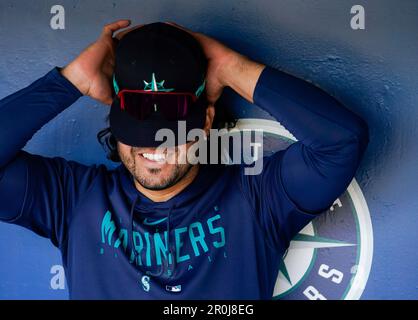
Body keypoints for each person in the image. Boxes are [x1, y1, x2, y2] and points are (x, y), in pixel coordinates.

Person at [0, 20, 368, 299]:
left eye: (173, 130)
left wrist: (228, 66)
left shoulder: (256, 199)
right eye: (139, 126)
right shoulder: (73, 199)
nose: (154, 145)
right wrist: (70, 80)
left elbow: (341, 142)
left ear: (205, 121)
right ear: (116, 120)